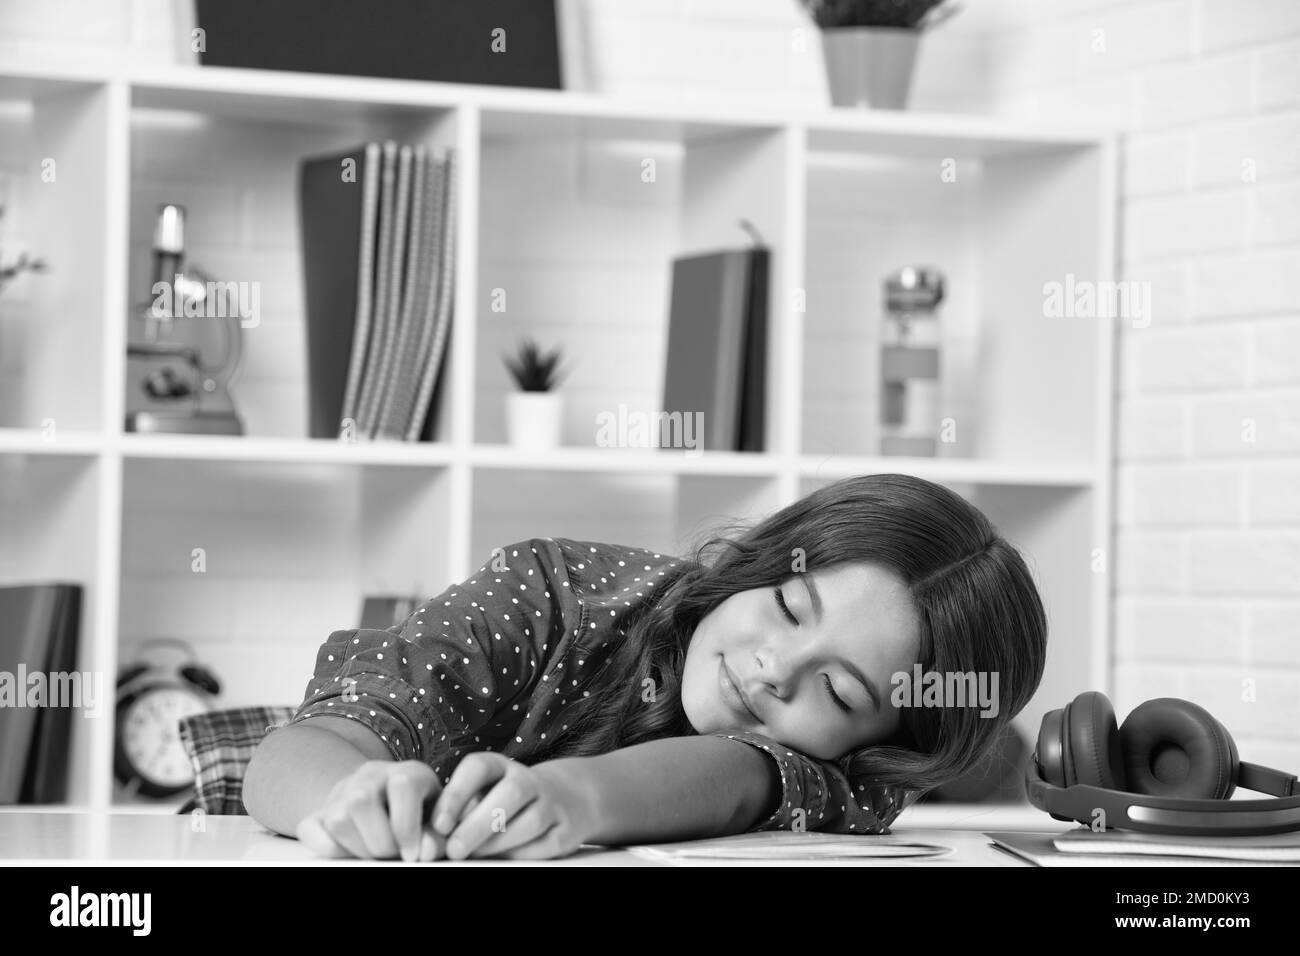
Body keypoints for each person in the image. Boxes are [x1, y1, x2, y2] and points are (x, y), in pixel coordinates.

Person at [243, 472, 1048, 860]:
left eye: (838, 690)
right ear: (763, 559)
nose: (775, 668)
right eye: (790, 608)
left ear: (880, 749)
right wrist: (349, 796)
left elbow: (740, 774)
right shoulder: (551, 594)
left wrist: (570, 797)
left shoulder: (856, 781)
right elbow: (295, 750)